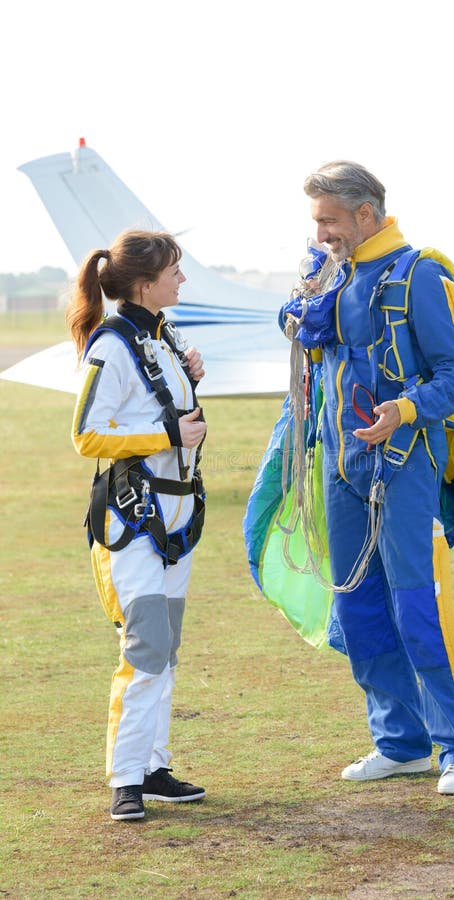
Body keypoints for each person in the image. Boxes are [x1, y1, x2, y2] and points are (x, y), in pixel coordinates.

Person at [283, 161, 454, 794]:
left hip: (404, 466)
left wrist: (404, 410)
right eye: (316, 221)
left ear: (366, 214)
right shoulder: (331, 279)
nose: (320, 233)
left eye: (330, 220)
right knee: (358, 603)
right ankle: (399, 742)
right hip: (344, 466)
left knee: (415, 604)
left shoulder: (420, 275)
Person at [67, 230, 208, 820]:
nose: (183, 280)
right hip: (135, 520)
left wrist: (191, 378)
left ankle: (152, 767)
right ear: (146, 284)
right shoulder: (111, 346)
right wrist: (169, 435)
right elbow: (86, 435)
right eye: (175, 272)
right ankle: (126, 778)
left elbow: (155, 406)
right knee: (145, 646)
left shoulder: (160, 336)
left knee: (165, 650)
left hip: (176, 516)